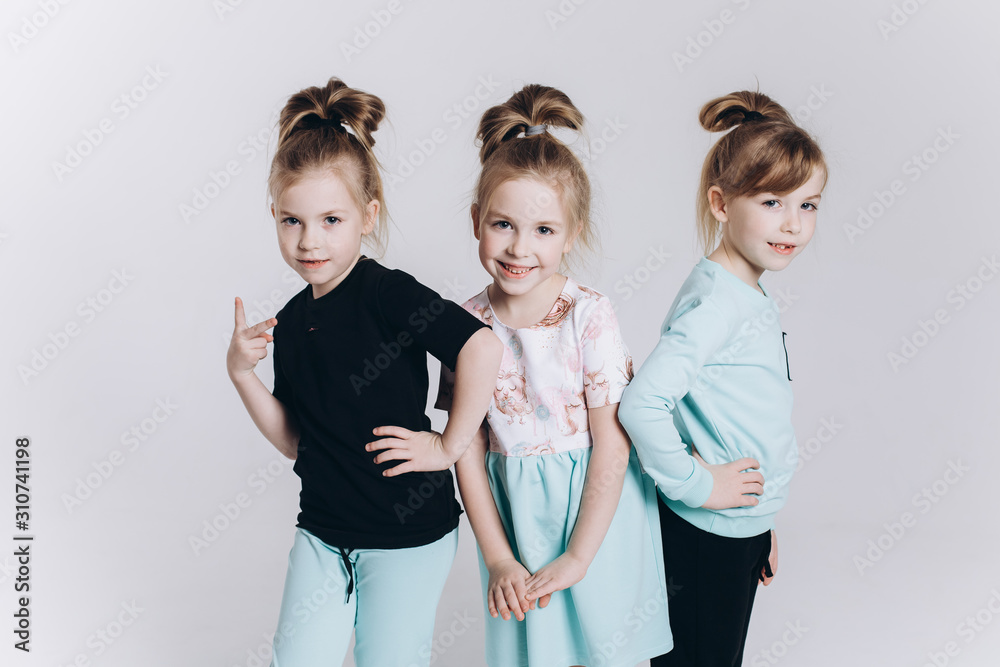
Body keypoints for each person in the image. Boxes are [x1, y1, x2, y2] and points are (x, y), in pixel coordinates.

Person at [226, 76, 503, 667]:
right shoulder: (294, 321)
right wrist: (243, 375)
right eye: (292, 221)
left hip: (406, 535)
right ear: (273, 217)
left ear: (367, 215)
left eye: (330, 219)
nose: (309, 241)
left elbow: (480, 346)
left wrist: (448, 446)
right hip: (323, 533)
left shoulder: (388, 293)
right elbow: (296, 440)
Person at [436, 84, 672, 667]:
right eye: (503, 224)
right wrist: (496, 557)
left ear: (572, 233)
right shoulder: (461, 325)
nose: (520, 247)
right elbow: (465, 446)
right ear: (476, 222)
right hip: (516, 514)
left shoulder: (589, 314)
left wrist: (580, 556)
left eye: (543, 230)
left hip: (596, 512)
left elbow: (612, 443)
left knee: (604, 650)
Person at [617, 90, 827, 667]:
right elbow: (642, 405)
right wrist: (702, 488)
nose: (793, 224)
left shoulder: (740, 289)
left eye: (808, 205)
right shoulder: (719, 305)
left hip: (734, 527)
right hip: (705, 533)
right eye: (772, 201)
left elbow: (735, 413)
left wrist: (759, 519)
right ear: (720, 202)